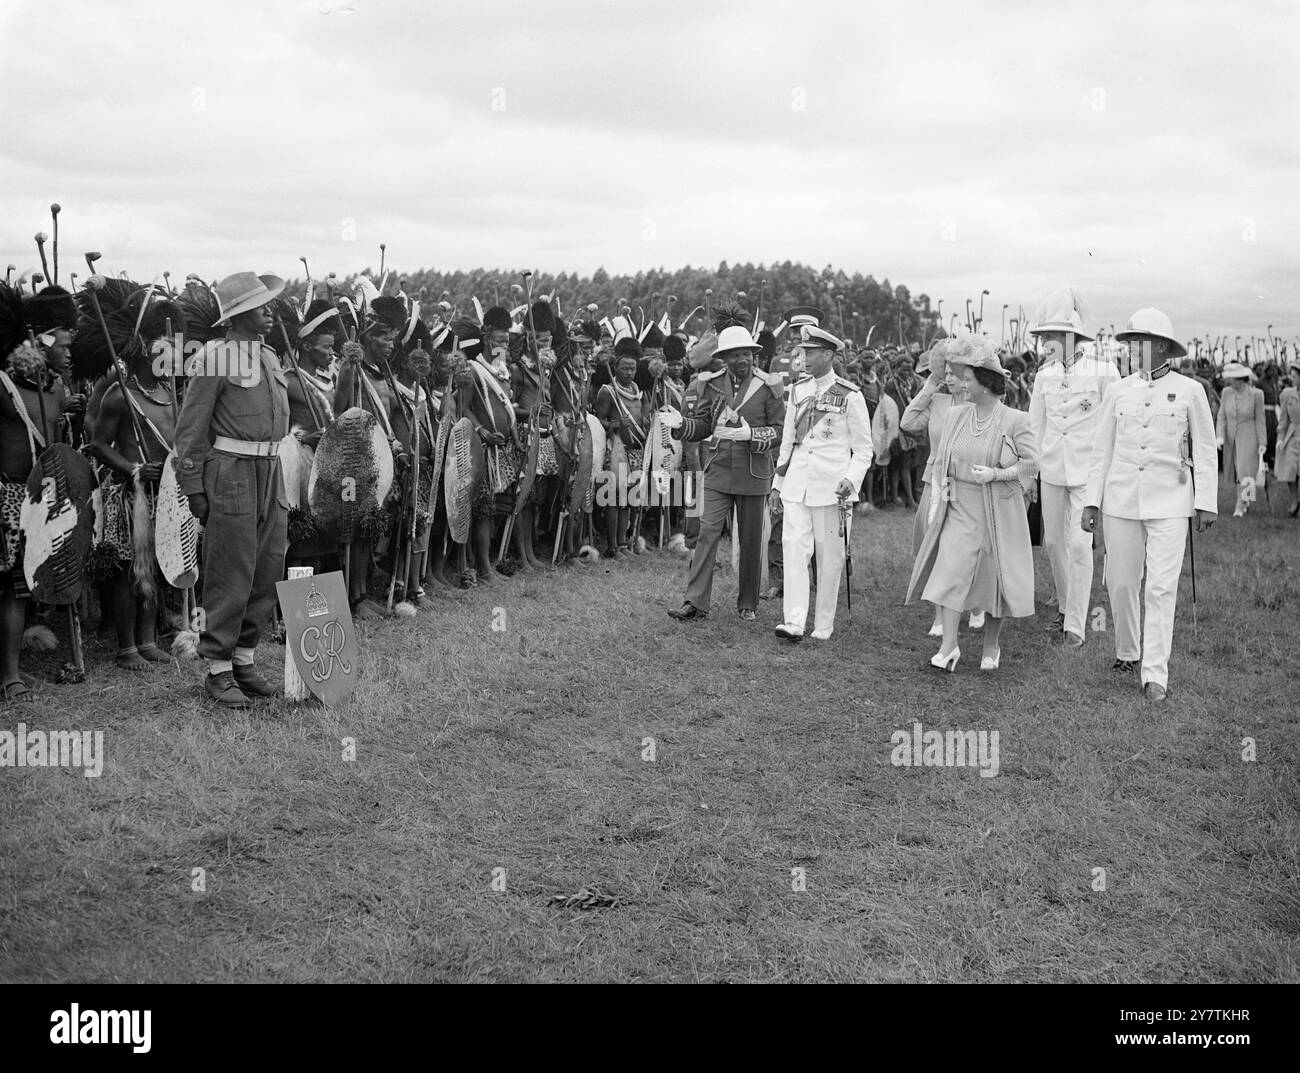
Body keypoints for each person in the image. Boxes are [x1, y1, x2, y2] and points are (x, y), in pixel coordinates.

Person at [1082, 308, 1217, 702]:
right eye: (1129, 342)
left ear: (1161, 347)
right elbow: (1100, 449)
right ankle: (1128, 650)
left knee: (1160, 587)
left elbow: (1206, 449)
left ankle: (1155, 674)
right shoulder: (1117, 391)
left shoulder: (1190, 391)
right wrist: (1092, 501)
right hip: (1122, 498)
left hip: (1171, 500)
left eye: (1139, 342)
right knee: (1121, 582)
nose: (1132, 349)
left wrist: (1205, 502)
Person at [174, 271, 290, 708]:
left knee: (266, 568)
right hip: (232, 473)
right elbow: (190, 429)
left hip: (270, 470)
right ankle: (218, 670)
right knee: (229, 571)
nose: (270, 312)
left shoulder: (271, 358)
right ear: (240, 314)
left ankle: (244, 660)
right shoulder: (214, 358)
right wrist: (193, 487)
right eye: (262, 306)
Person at [906, 336, 1038, 672]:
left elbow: (1031, 464)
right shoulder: (955, 416)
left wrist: (996, 473)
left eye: (967, 378)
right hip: (959, 506)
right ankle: (948, 647)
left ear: (984, 383)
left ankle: (991, 644)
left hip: (998, 509)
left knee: (994, 577)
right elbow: (942, 461)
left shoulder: (1014, 420)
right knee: (950, 569)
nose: (961, 383)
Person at [89, 290, 185, 671]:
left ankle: (148, 639)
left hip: (164, 494)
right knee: (131, 570)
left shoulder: (169, 391)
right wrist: (133, 468)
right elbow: (96, 445)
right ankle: (127, 648)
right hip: (131, 496)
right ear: (145, 347)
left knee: (159, 565)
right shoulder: (120, 394)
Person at [667, 326, 784, 622]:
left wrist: (752, 434)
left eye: (747, 354)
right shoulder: (712, 384)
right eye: (736, 355)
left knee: (750, 540)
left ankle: (747, 603)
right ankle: (694, 602)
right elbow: (704, 424)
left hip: (754, 473)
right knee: (707, 533)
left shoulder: (769, 386)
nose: (743, 360)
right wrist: (681, 425)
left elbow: (781, 430)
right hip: (718, 470)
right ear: (725, 358)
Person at [1026, 287, 1120, 646]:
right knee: (1053, 542)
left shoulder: (1103, 371)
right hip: (1051, 470)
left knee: (1080, 545)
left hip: (1088, 472)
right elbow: (1036, 428)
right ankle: (1065, 607)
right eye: (1044, 336)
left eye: (1051, 336)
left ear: (1069, 337)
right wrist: (1032, 473)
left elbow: (1113, 425)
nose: (1046, 342)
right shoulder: (1043, 376)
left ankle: (1076, 627)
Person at [772, 325, 871, 641]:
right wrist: (777, 483)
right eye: (802, 352)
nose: (804, 358)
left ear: (828, 355)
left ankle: (823, 625)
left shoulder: (850, 395)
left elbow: (864, 448)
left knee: (829, 557)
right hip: (797, 484)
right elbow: (788, 441)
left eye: (810, 352)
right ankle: (794, 621)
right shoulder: (798, 391)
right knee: (794, 550)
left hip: (831, 487)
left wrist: (850, 480)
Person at [900, 339, 958, 637]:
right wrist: (929, 387)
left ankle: (974, 606)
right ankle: (938, 613)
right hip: (936, 478)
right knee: (935, 543)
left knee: (967, 545)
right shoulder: (936, 399)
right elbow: (908, 422)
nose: (948, 374)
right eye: (943, 368)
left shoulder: (977, 401)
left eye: (953, 368)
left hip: (967, 481)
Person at [1215, 362, 1266, 517]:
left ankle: (1240, 505)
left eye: (1231, 379)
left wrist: (1262, 442)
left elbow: (1260, 419)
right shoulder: (1226, 392)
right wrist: (1220, 436)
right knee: (1236, 471)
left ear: (1240, 379)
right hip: (1231, 437)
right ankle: (1247, 500)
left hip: (1249, 435)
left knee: (1245, 469)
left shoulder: (1256, 394)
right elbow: (1222, 415)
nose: (1228, 382)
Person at [1276, 360, 1300, 517]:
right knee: (1290, 470)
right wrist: (1280, 438)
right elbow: (1283, 419)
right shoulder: (1287, 394)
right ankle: (1294, 500)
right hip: (1292, 435)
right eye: (1291, 376)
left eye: (1295, 376)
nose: (1292, 379)